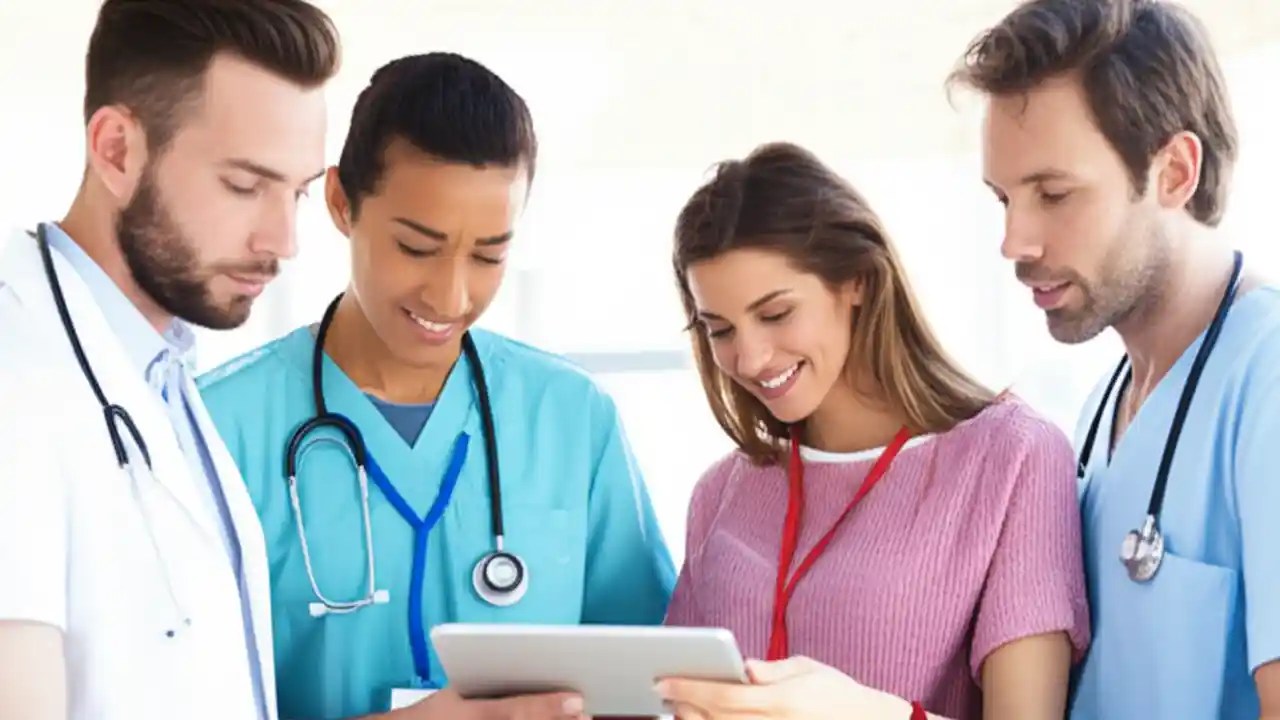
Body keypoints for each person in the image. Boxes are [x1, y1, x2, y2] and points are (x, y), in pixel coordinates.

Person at [197, 51, 676, 720]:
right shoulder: (217, 430)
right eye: (417, 248)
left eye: (489, 255)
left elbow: (648, 683)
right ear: (340, 202)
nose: (452, 295)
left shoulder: (572, 420)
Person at [651, 142, 1091, 720]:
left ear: (856, 281)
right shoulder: (720, 494)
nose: (751, 357)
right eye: (720, 329)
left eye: (776, 314)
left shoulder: (1011, 458)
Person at [0, 2, 339, 719]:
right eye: (245, 186)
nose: (284, 239)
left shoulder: (161, 373)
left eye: (298, 191)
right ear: (117, 149)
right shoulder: (14, 370)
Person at [952, 1, 1280, 718]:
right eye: (1004, 199)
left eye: (1054, 194)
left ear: (1174, 172)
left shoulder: (1267, 379)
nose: (1015, 241)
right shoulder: (1102, 408)